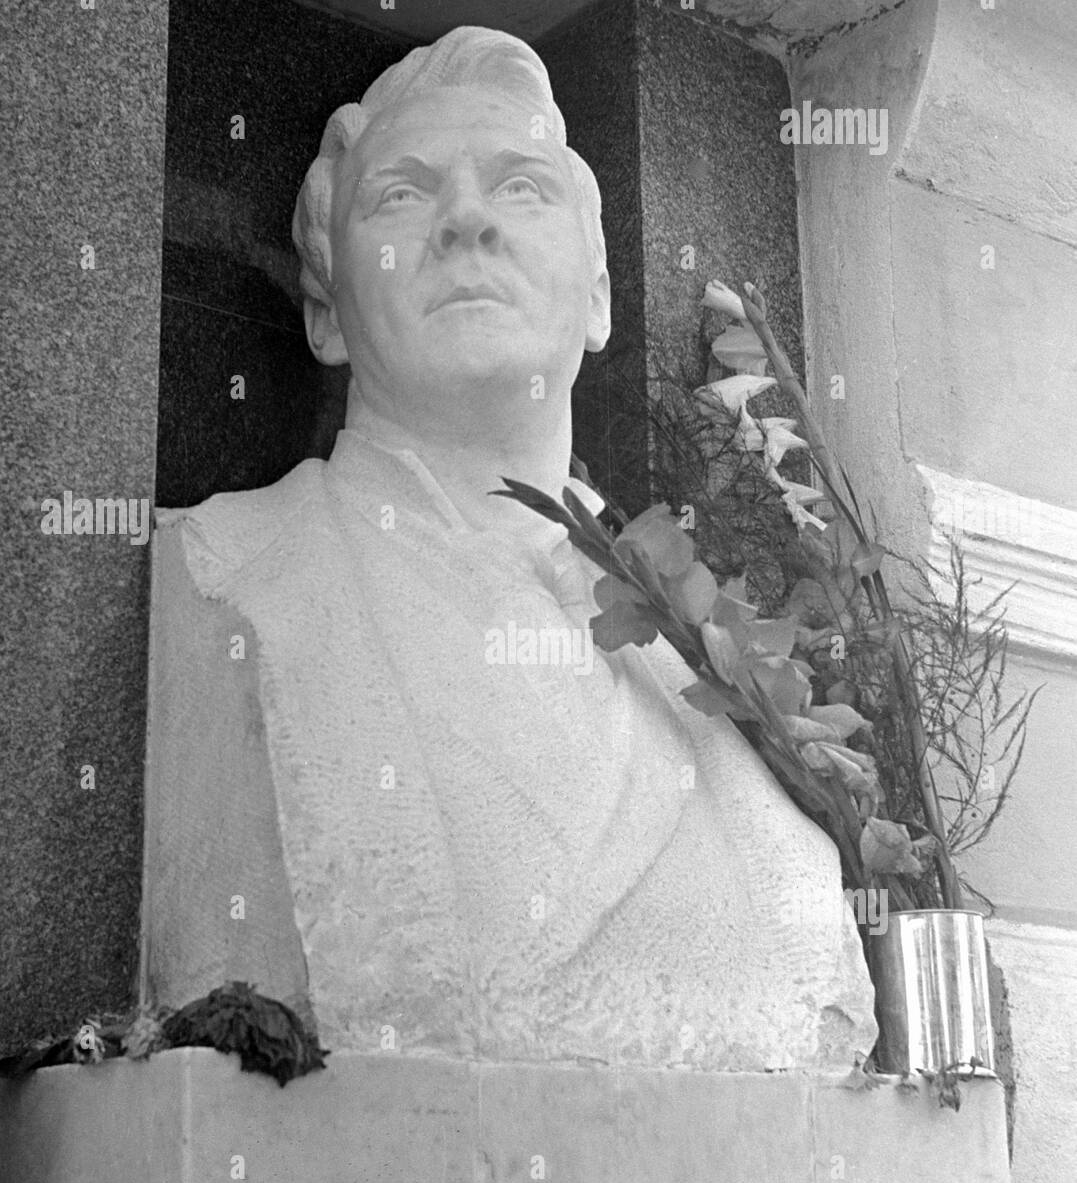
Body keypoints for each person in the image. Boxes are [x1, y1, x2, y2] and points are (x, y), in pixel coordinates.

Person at [158, 27, 875, 1068]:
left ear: (599, 296)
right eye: (402, 194)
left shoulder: (704, 658)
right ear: (326, 312)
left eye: (521, 187)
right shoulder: (222, 576)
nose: (466, 220)